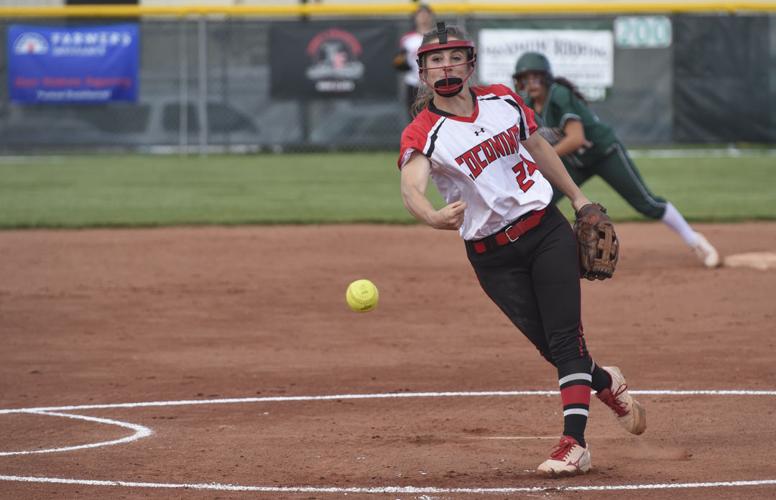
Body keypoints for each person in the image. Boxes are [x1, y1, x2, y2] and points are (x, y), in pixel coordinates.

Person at [397, 22, 646, 476]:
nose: (446, 66)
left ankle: (574, 443)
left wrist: (578, 198)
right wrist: (431, 215)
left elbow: (539, 148)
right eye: (435, 60)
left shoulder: (502, 100)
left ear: (470, 64)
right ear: (423, 71)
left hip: (545, 231)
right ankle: (605, 381)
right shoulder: (423, 131)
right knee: (553, 347)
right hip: (491, 257)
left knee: (566, 338)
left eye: (454, 57)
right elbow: (411, 186)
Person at [512, 52, 720, 268]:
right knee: (540, 202)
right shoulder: (527, 106)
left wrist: (543, 160)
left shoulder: (559, 95)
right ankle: (539, 255)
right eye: (525, 78)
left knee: (646, 203)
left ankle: (695, 240)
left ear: (546, 77)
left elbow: (576, 138)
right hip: (575, 163)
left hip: (604, 153)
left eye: (536, 76)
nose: (531, 82)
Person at [393, 3, 435, 117]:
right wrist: (400, 62)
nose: (423, 18)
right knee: (413, 117)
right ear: (415, 18)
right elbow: (400, 62)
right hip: (413, 83)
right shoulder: (408, 38)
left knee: (434, 117)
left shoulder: (436, 37)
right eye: (420, 15)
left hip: (433, 84)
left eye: (426, 15)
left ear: (431, 17)